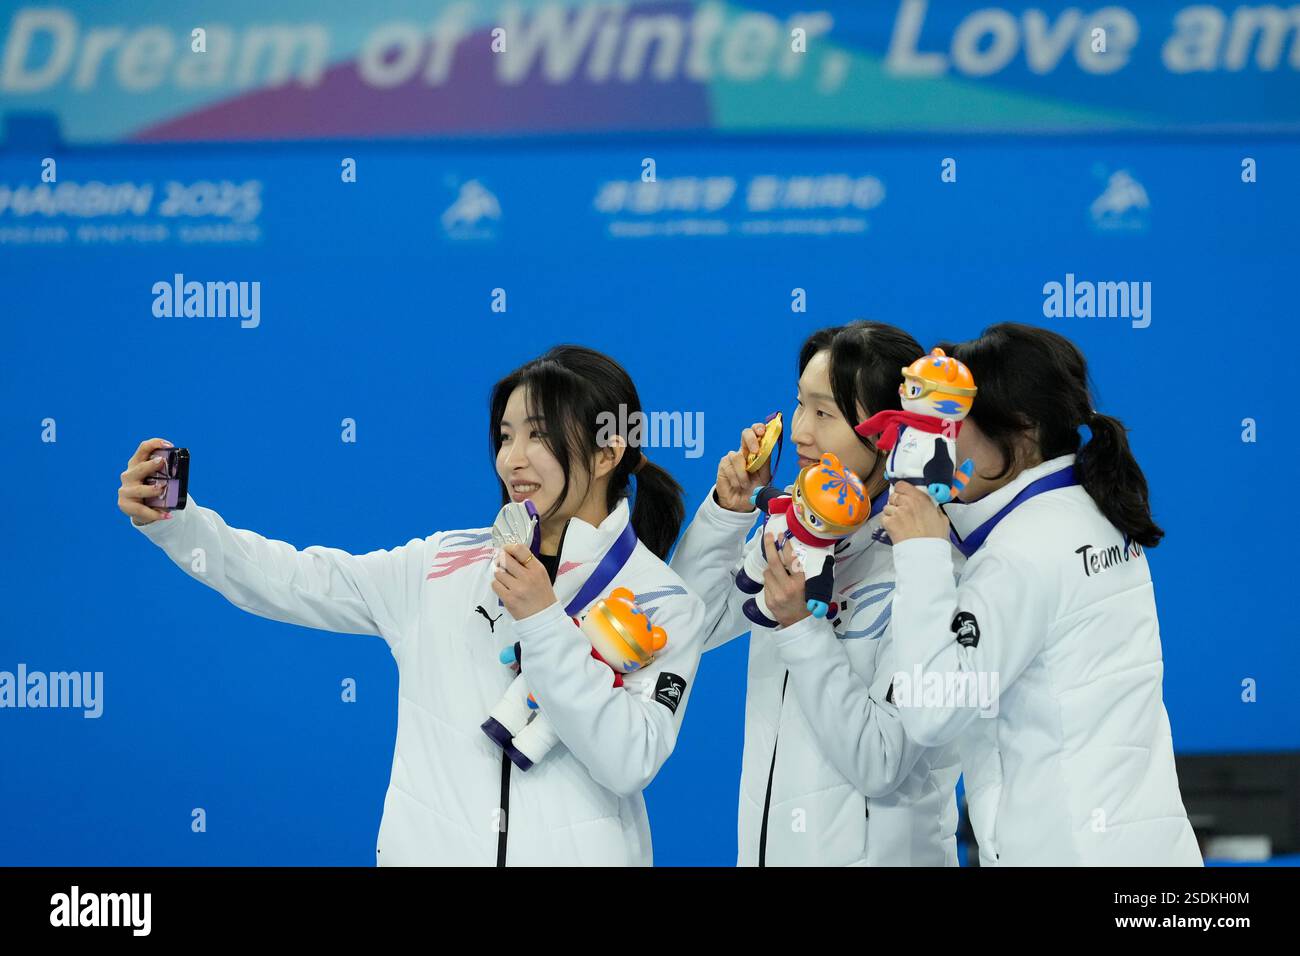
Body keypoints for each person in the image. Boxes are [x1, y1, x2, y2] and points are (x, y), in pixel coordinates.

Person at [118, 345, 707, 866]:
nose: (512, 459)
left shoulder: (665, 604)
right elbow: (294, 580)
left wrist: (544, 621)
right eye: (505, 436)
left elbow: (628, 760)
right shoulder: (443, 565)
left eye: (539, 436)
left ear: (607, 454)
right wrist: (180, 524)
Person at [880, 322, 1202, 866]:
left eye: (954, 419)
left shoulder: (1019, 552)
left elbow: (931, 710)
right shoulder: (1095, 510)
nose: (941, 441)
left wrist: (921, 553)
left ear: (1022, 430)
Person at [670, 321, 961, 866]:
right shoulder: (795, 527)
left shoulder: (928, 564)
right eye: (800, 404)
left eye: (824, 414)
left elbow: (881, 759)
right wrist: (727, 514)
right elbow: (689, 627)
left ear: (888, 432)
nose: (800, 431)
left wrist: (800, 627)